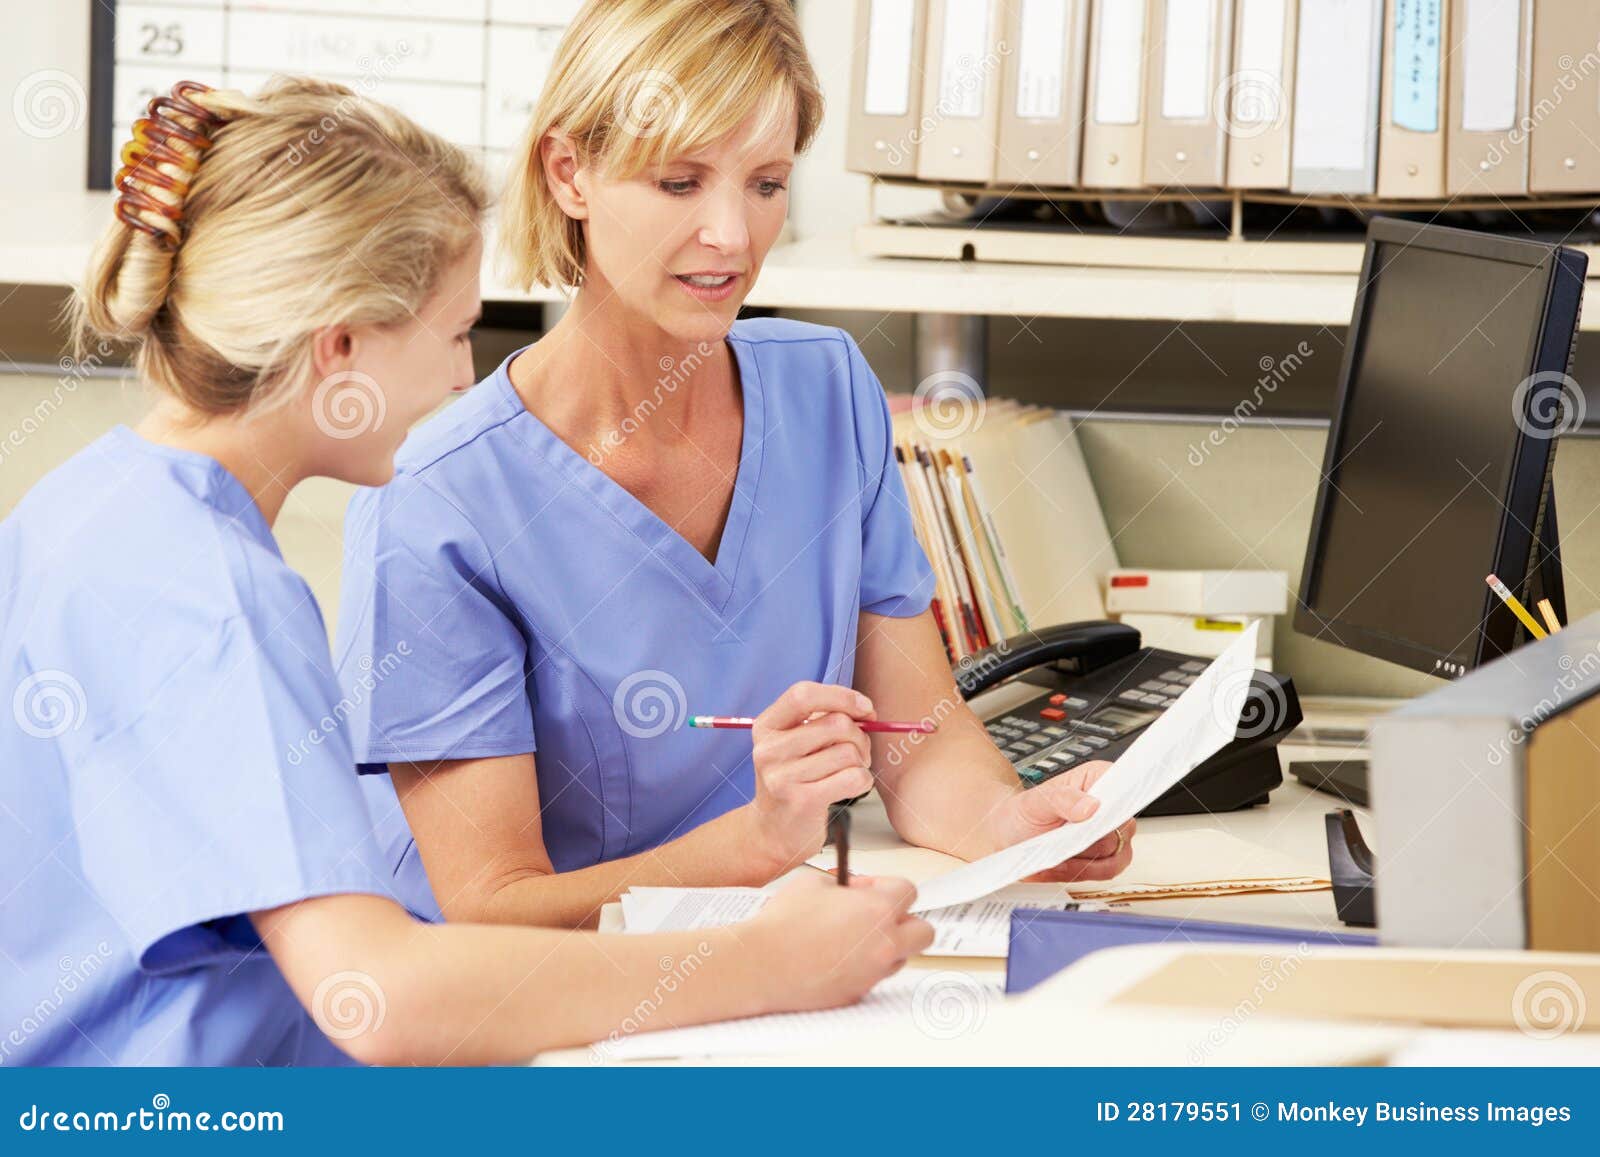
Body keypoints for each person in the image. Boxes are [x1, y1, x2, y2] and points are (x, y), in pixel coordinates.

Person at [0, 77, 929, 1068]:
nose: (459, 378)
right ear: (341, 345)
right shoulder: (217, 597)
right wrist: (765, 965)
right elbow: (379, 998)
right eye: (454, 333)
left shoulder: (83, 505)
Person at [334, 0, 1135, 932]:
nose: (732, 235)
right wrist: (757, 842)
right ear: (571, 172)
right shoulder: (440, 501)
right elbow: (492, 910)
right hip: (530, 1018)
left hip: (744, 955)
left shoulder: (827, 390)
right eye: (680, 183)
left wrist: (1015, 824)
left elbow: (916, 741)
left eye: (765, 183)